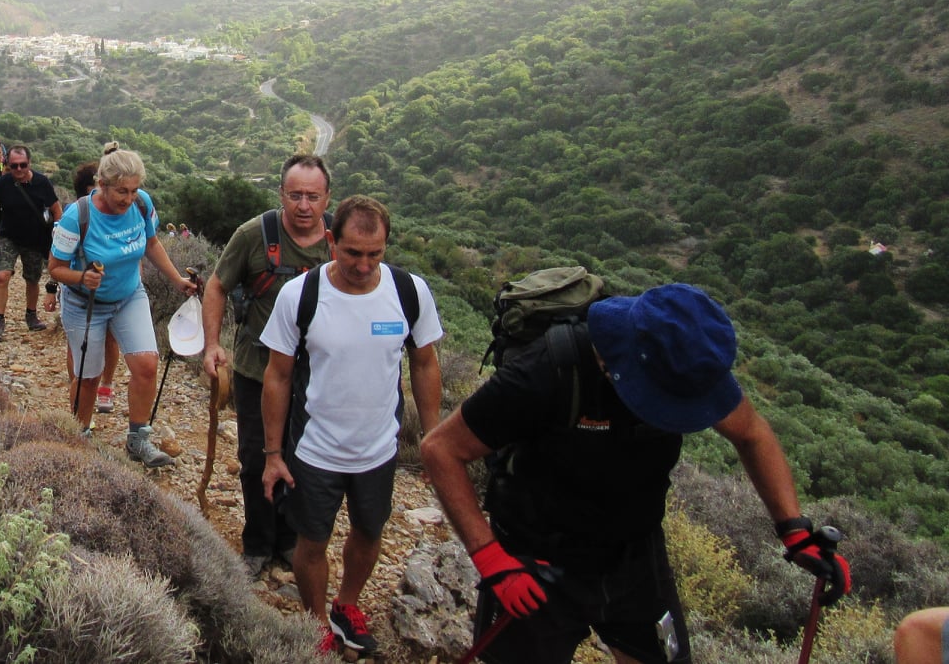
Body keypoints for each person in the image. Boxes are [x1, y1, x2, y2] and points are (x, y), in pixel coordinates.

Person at [421, 283, 853, 664]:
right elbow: (441, 449)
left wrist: (793, 528)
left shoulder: (688, 366)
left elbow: (752, 433)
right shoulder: (545, 373)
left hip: (635, 554)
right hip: (537, 558)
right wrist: (492, 559)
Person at [260, 195, 443, 658]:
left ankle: (347, 605)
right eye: (352, 253)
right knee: (312, 540)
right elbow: (278, 375)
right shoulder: (301, 295)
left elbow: (424, 363)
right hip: (315, 449)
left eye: (375, 254)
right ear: (330, 241)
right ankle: (316, 621)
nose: (364, 265)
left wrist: (434, 439)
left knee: (369, 531)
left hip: (379, 450)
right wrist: (273, 454)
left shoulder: (409, 292)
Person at [201, 153, 334, 579]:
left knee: (304, 459)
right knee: (257, 457)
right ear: (282, 194)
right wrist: (211, 345)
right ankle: (258, 542)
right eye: (295, 194)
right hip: (257, 369)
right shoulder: (254, 235)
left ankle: (291, 541)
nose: (304, 205)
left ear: (327, 197)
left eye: (313, 196)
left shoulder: (339, 240)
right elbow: (217, 286)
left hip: (318, 376)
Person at [48, 144, 198, 467]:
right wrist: (81, 277)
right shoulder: (78, 216)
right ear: (102, 184)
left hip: (129, 296)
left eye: (133, 190)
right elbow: (55, 268)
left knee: (146, 364)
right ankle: (80, 438)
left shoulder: (142, 205)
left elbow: (153, 244)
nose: (128, 199)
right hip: (84, 303)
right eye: (121, 191)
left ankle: (138, 439)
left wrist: (176, 280)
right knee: (88, 376)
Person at [0, 145, 62, 340]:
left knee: (32, 279)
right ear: (8, 165)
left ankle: (31, 315)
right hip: (8, 237)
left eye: (23, 165)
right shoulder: (2, 184)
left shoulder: (43, 183)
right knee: (2, 276)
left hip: (35, 241)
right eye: (14, 166)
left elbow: (57, 210)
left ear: (29, 164)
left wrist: (58, 240)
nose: (19, 169)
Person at [72, 161, 121, 413]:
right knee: (77, 342)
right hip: (77, 290)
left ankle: (106, 385)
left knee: (111, 338)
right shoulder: (77, 214)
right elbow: (57, 260)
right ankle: (80, 388)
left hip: (114, 291)